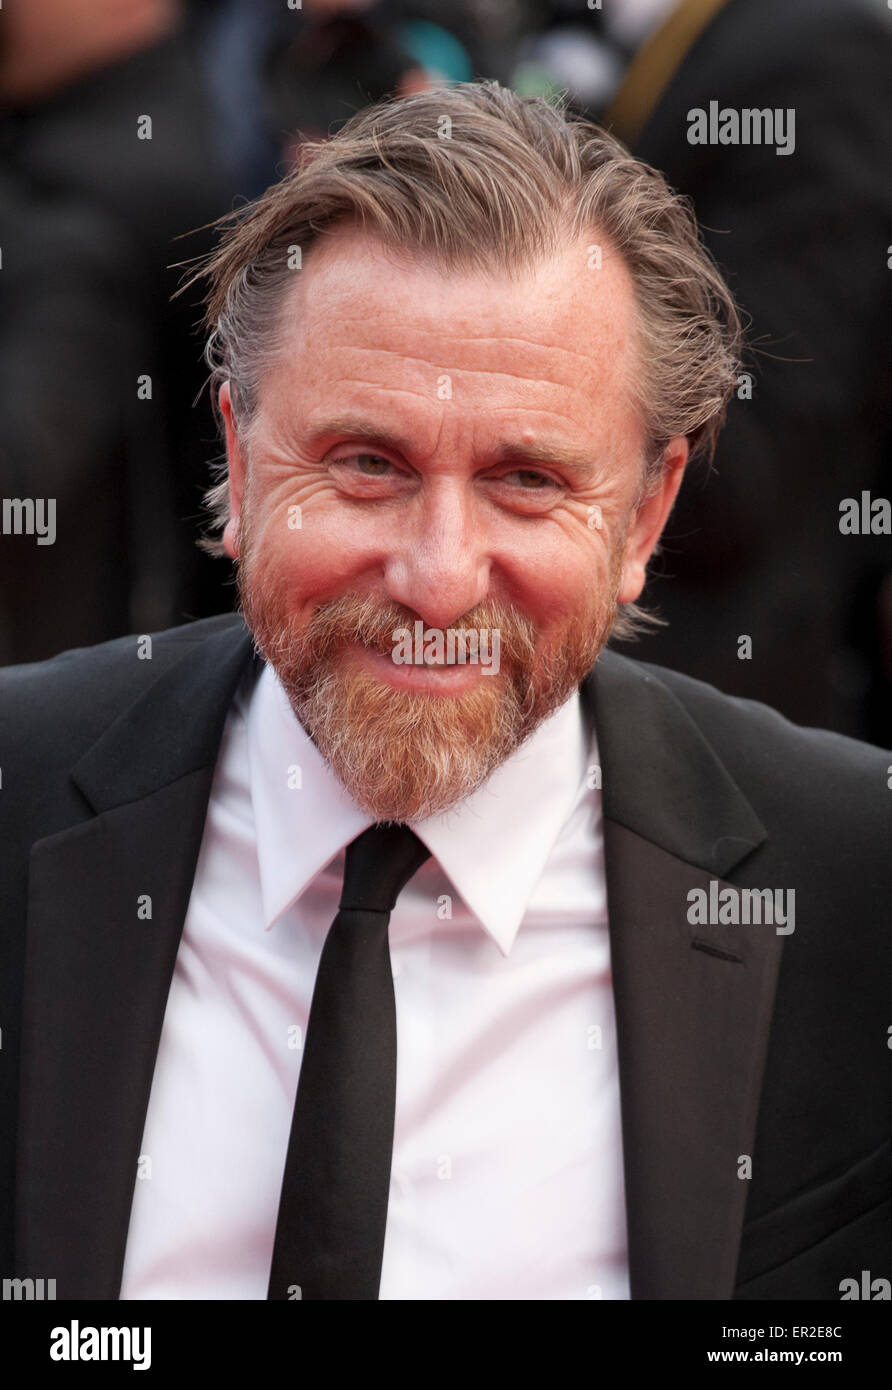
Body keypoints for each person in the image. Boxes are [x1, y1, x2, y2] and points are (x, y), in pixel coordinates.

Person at [1, 81, 889, 1302]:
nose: (436, 578)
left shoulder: (853, 878)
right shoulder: (18, 788)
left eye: (528, 479)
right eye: (367, 464)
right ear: (243, 459)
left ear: (644, 512)